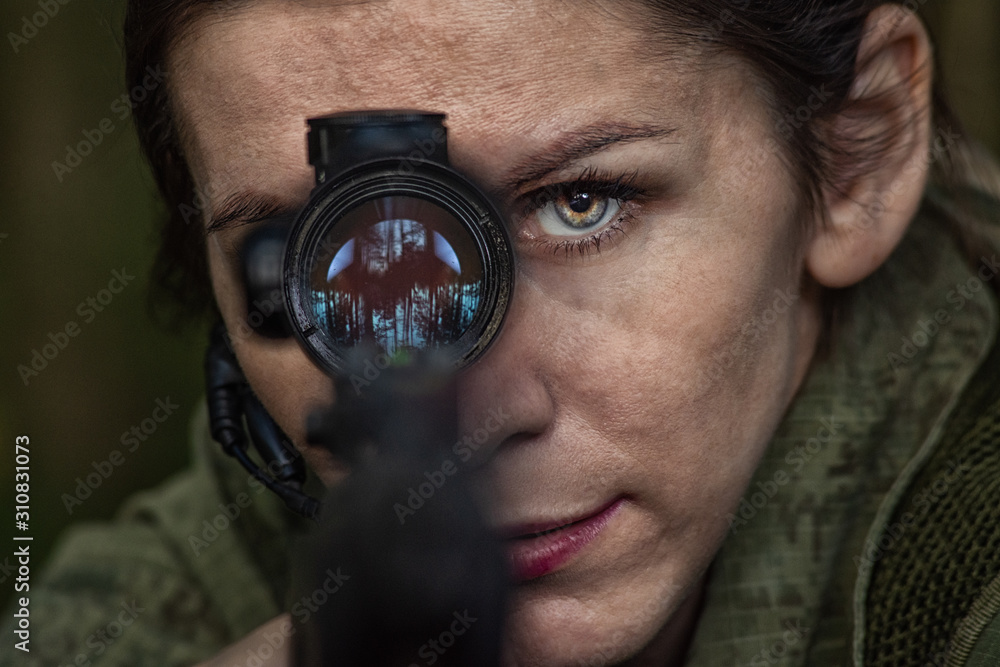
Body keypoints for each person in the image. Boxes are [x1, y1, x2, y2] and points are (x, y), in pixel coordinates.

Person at [5, 1, 1000, 665]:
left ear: (855, 158)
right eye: (329, 249)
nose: (482, 410)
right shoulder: (163, 591)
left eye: (580, 203)